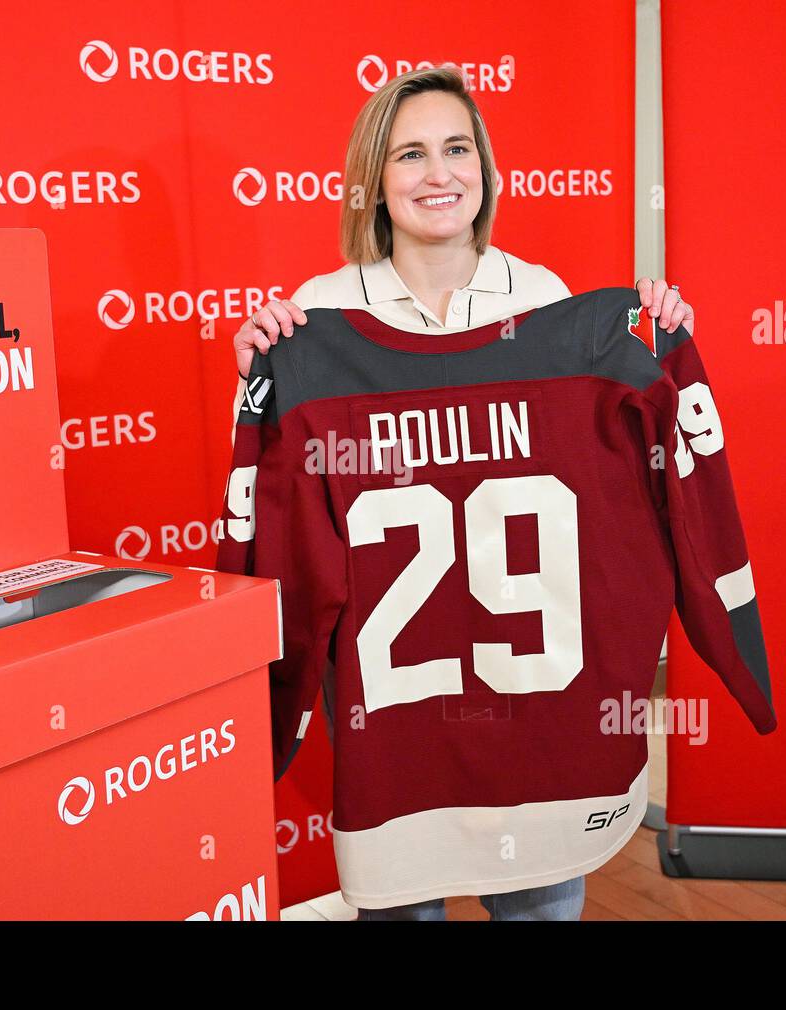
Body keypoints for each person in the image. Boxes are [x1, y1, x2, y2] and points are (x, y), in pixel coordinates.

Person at [227, 65, 694, 921]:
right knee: (402, 905)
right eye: (410, 154)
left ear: (484, 167)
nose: (438, 174)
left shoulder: (548, 301)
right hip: (392, 697)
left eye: (457, 149)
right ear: (373, 179)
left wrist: (652, 336)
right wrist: (260, 378)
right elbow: (282, 500)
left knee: (542, 902)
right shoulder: (317, 315)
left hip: (534, 677)